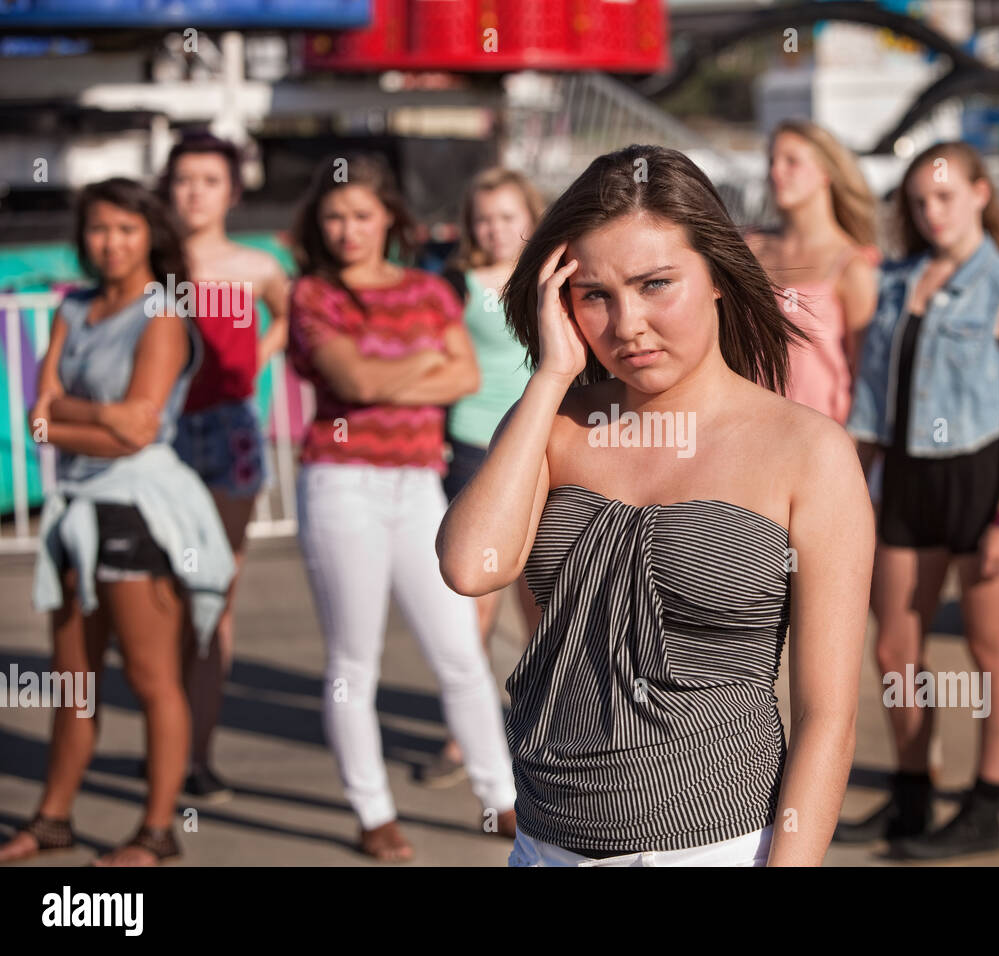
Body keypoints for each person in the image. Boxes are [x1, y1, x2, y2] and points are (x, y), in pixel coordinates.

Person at [436, 144, 874, 867]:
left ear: (718, 279)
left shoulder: (808, 451)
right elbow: (468, 565)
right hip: (545, 844)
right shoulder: (556, 424)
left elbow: (828, 717)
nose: (628, 325)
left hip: (718, 845)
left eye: (654, 284)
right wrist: (549, 378)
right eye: (596, 294)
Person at [0, 178, 233, 866]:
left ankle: (157, 833)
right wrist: (100, 418)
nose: (111, 243)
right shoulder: (71, 307)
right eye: (100, 229)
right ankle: (52, 820)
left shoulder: (161, 312)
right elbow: (40, 418)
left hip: (140, 510)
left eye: (126, 229)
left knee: (154, 680)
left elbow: (138, 431)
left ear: (149, 234)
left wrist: (78, 415)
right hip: (75, 513)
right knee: (73, 680)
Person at [286, 153, 518, 861]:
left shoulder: (428, 288)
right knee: (354, 660)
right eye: (334, 216)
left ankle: (501, 797)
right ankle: (372, 810)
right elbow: (352, 381)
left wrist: (387, 375)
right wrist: (418, 365)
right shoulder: (311, 296)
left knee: (459, 651)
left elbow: (466, 375)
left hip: (419, 481)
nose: (348, 229)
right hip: (341, 481)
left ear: (389, 216)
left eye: (361, 214)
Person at [836, 141, 999, 859]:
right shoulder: (895, 281)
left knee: (991, 652)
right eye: (920, 201)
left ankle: (986, 808)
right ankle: (912, 793)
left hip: (983, 479)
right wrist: (841, 485)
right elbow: (868, 397)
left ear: (982, 193)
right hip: (906, 479)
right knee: (895, 648)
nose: (932, 212)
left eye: (947, 196)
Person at [159, 131, 291, 802]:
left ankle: (195, 757)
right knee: (160, 600)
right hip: (161, 434)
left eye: (209, 180)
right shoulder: (152, 261)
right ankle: (166, 749)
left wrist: (258, 357)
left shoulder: (256, 264)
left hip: (230, 433)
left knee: (215, 597)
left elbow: (296, 315)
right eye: (184, 179)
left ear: (232, 191)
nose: (195, 193)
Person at [416, 167, 547, 789]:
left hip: (546, 445)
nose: (495, 229)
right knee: (474, 600)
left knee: (546, 604)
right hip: (475, 447)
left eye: (507, 215)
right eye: (484, 217)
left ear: (531, 215)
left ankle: (544, 730)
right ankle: (462, 736)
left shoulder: (556, 277)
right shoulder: (455, 283)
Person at [746, 118, 880, 424]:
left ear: (825, 172)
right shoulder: (748, 249)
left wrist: (855, 457)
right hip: (747, 435)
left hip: (818, 441)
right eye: (772, 161)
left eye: (792, 162)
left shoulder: (852, 265)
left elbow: (868, 380)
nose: (775, 172)